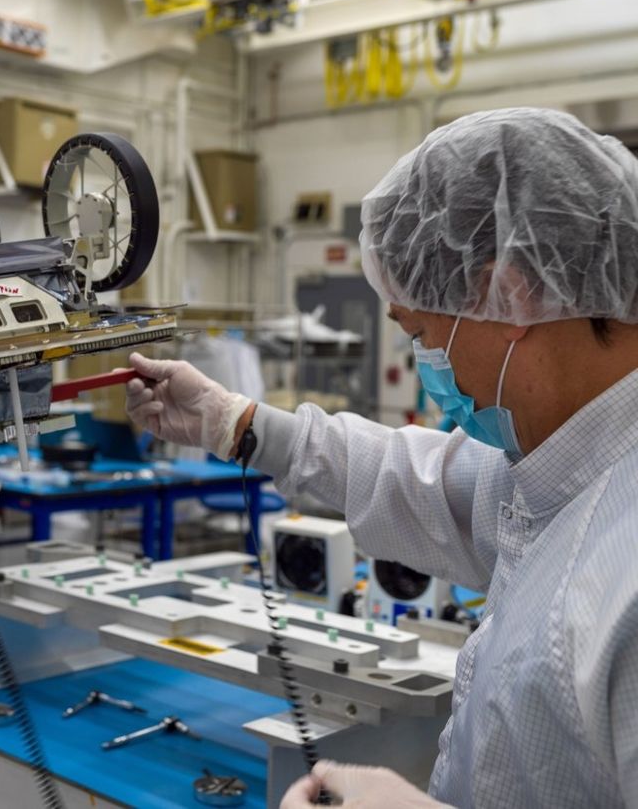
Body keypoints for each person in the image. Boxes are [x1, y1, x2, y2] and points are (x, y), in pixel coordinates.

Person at [124, 108, 638, 808]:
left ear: (513, 295)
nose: (424, 362)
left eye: (421, 331)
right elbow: (418, 481)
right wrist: (238, 424)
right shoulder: (554, 461)